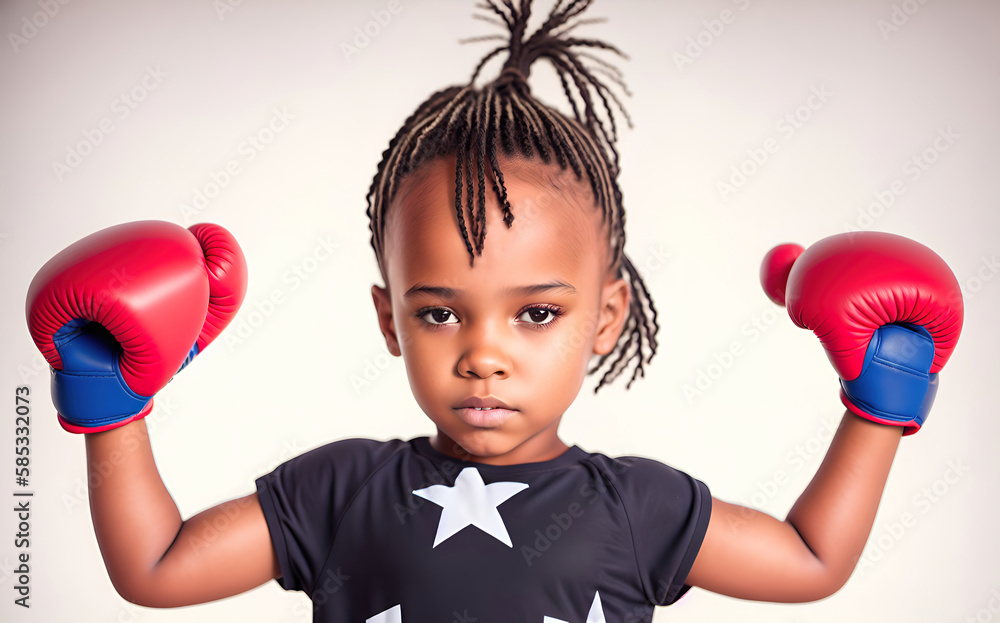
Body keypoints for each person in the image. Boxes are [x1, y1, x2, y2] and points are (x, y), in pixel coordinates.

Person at [24, 1, 962, 621]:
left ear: (605, 317)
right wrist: (112, 404)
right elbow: (154, 570)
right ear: (389, 320)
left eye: (537, 315)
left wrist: (881, 399)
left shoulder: (635, 505)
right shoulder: (339, 490)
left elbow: (810, 562)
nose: (483, 354)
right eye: (440, 315)